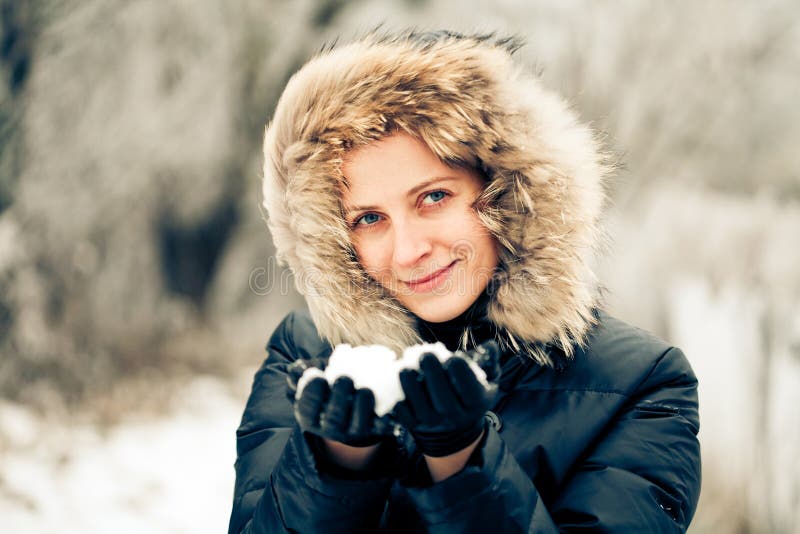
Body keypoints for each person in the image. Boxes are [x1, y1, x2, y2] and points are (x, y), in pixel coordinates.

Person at [228, 30, 701, 533]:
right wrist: (338, 463)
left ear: (507, 193)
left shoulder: (640, 384)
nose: (409, 251)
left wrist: (463, 462)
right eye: (368, 219)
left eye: (433, 198)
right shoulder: (305, 357)